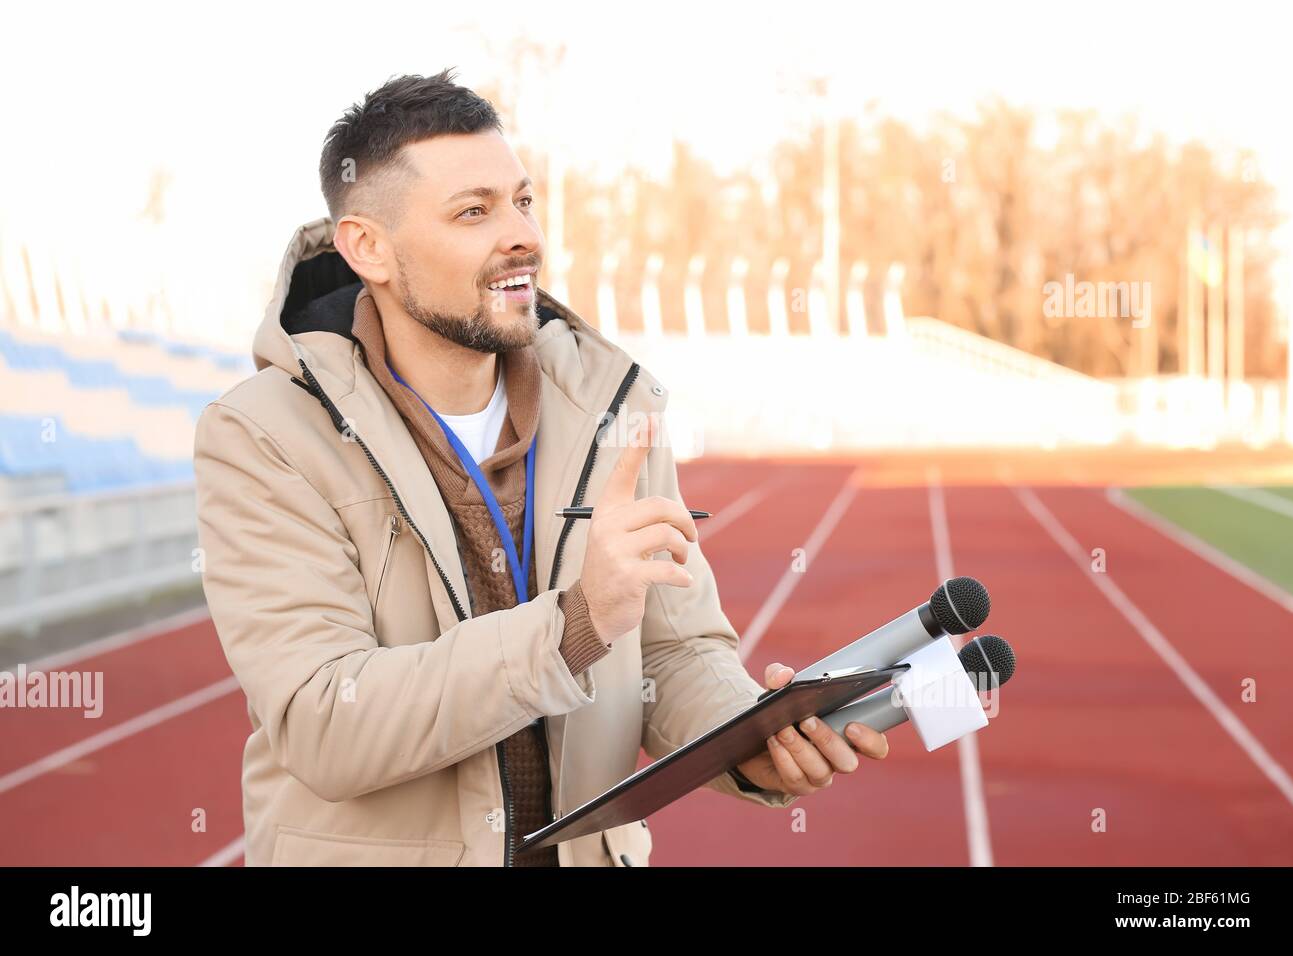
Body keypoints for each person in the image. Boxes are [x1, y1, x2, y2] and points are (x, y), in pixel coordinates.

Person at [193, 69, 889, 867]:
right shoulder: (264, 435)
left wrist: (748, 737)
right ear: (368, 248)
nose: (520, 234)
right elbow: (328, 724)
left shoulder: (612, 403)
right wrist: (575, 622)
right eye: (474, 212)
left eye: (522, 201)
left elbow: (671, 650)